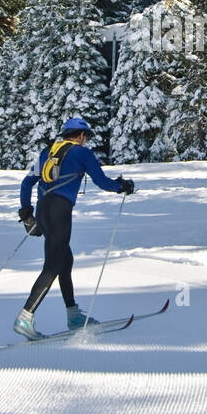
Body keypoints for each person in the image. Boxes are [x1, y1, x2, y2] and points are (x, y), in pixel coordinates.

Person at [15, 117, 134, 339]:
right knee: (52, 266)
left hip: (43, 211)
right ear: (80, 136)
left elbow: (26, 183)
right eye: (86, 137)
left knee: (64, 261)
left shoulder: (48, 152)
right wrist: (123, 186)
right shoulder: (81, 153)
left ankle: (73, 316)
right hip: (60, 211)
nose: (86, 141)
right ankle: (25, 317)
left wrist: (26, 213)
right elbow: (102, 182)